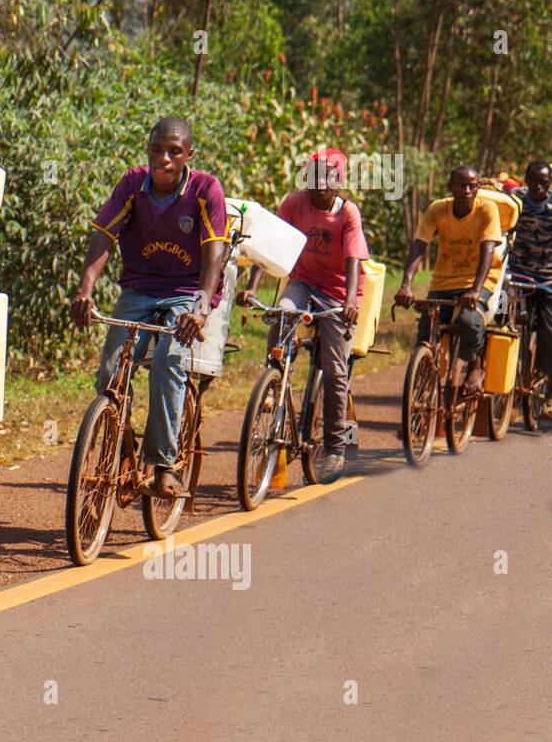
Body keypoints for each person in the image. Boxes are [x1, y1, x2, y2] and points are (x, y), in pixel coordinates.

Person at [70, 117, 229, 498]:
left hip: (188, 292)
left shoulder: (206, 190)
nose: (164, 159)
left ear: (189, 154)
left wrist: (202, 309)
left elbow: (214, 255)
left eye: (174, 151)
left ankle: (163, 464)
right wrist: (85, 290)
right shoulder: (132, 185)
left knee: (167, 363)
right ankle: (119, 449)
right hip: (139, 290)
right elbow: (103, 236)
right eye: (157, 149)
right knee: (111, 371)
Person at [237, 148, 368, 482]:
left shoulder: (348, 213)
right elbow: (270, 245)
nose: (319, 184)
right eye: (313, 177)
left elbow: (354, 261)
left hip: (339, 293)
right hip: (303, 283)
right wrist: (253, 287)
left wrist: (351, 300)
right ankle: (275, 380)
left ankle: (337, 447)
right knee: (282, 313)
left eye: (327, 177)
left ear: (339, 181)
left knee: (336, 370)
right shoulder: (295, 203)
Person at [394, 165, 502, 394]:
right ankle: (422, 394)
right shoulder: (438, 209)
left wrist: (475, 289)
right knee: (426, 330)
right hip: (443, 283)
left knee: (468, 321)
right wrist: (406, 285)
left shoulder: (487, 210)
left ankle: (474, 365)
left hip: (480, 282)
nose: (467, 190)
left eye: (472, 185)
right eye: (461, 185)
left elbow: (488, 251)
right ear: (450, 187)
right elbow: (419, 246)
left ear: (478, 187)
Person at [509, 160, 552, 401]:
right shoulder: (516, 199)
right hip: (517, 275)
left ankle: (545, 376)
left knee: (548, 329)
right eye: (534, 181)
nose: (538, 187)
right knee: (504, 320)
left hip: (548, 278)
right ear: (526, 180)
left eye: (544, 183)